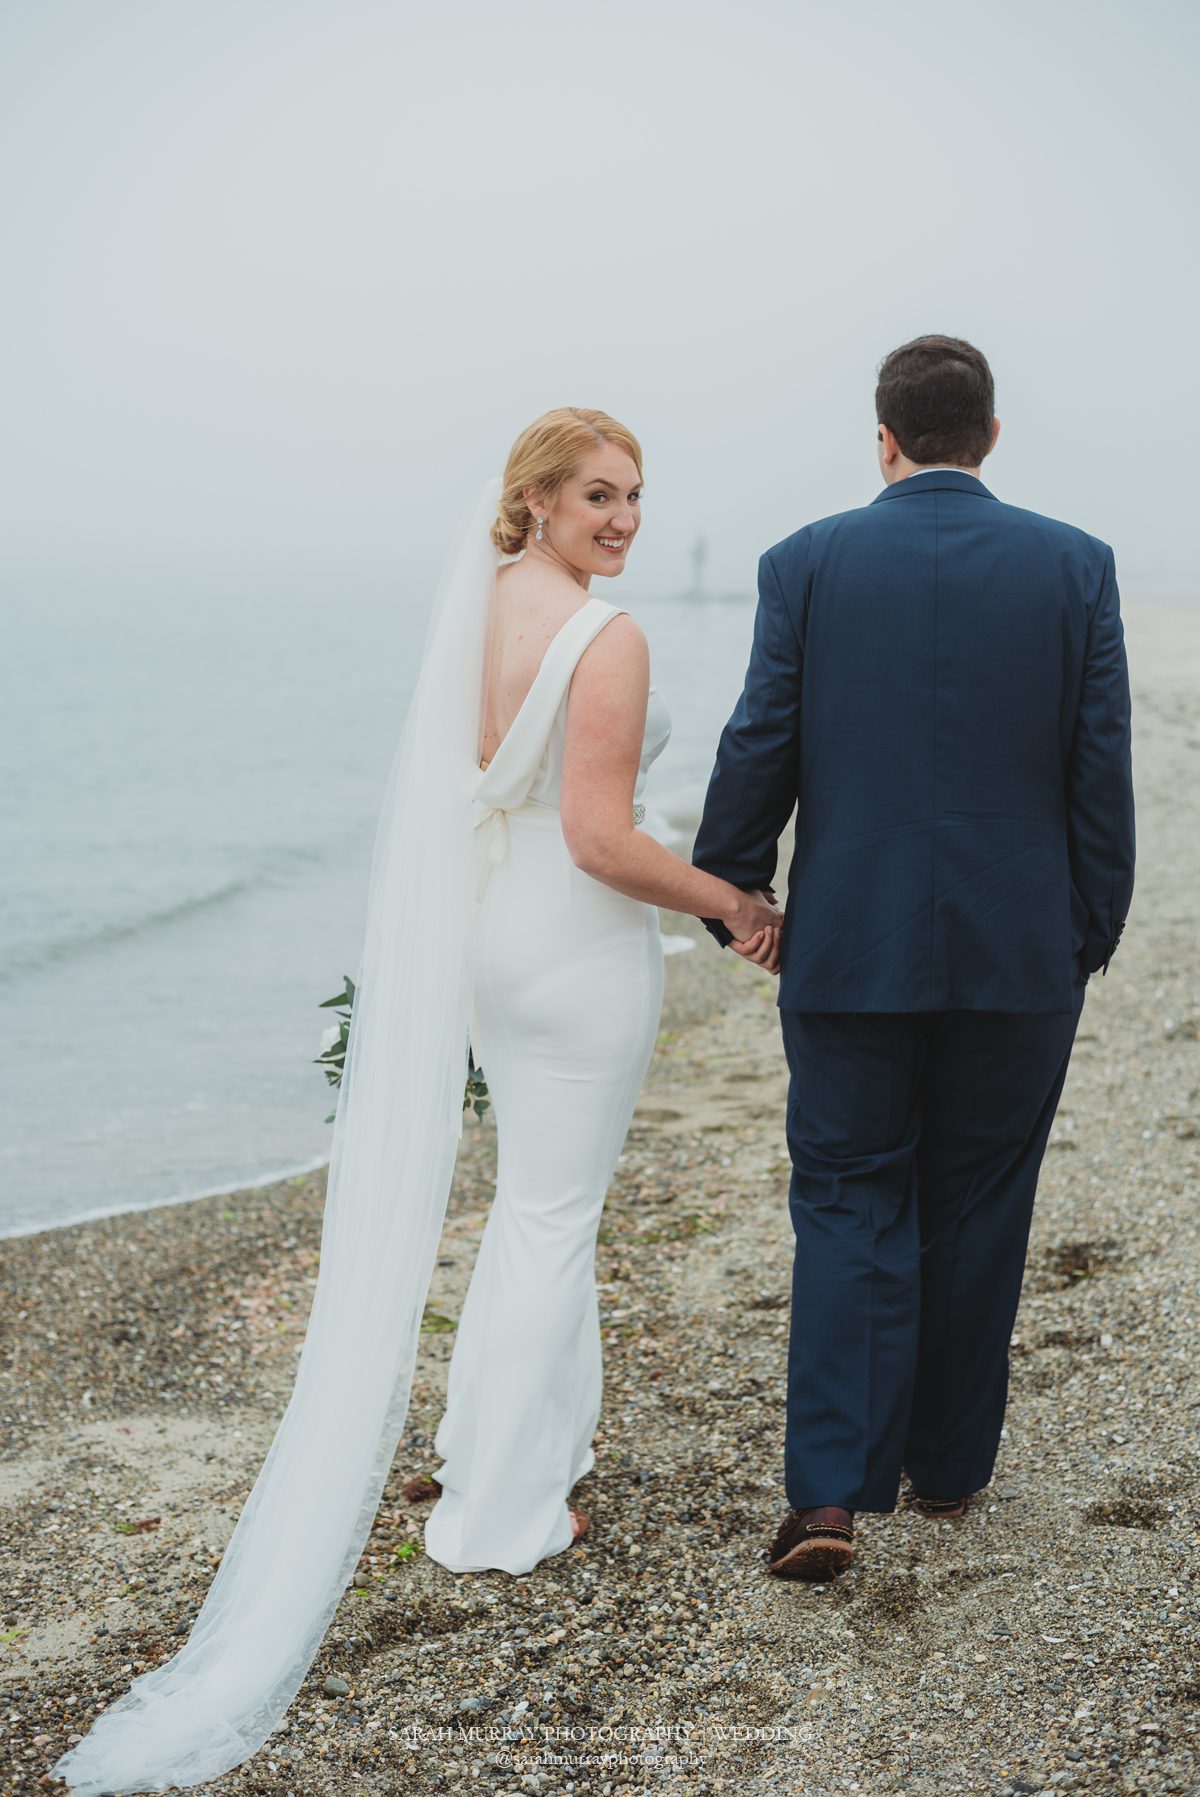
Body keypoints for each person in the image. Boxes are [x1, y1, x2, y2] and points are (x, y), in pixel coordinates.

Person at [51, 406, 780, 1793]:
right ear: (540, 500)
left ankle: (504, 1456)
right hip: (575, 953)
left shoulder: (486, 604)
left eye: (636, 496)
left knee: (529, 1207)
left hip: (496, 949)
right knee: (557, 1218)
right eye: (598, 497)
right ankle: (502, 1512)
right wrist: (735, 903)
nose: (623, 519)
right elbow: (604, 836)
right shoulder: (604, 637)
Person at [692, 336, 1135, 1582]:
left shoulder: (808, 562)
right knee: (981, 1203)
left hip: (850, 948)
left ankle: (829, 1496)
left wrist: (738, 890)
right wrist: (1087, 927)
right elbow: (1098, 768)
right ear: (989, 436)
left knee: (845, 1202)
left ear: (882, 438)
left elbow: (760, 736)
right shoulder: (1076, 566)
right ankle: (945, 1470)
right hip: (1019, 950)